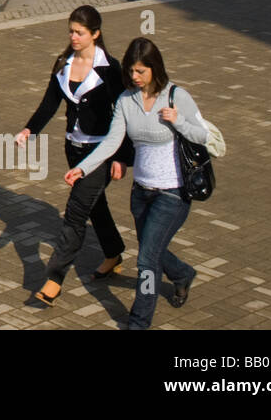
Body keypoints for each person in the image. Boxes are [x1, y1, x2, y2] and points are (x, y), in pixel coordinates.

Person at [64, 38, 212, 330]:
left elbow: (203, 135)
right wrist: (82, 168)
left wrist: (179, 121)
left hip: (173, 193)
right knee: (151, 250)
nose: (134, 76)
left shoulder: (176, 96)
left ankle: (138, 323)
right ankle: (182, 274)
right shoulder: (126, 100)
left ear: (155, 68)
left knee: (146, 261)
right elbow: (112, 142)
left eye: (141, 71)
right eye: (131, 71)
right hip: (141, 193)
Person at [16, 6, 132, 307]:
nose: (73, 37)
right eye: (71, 31)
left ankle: (54, 279)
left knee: (76, 213)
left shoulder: (110, 69)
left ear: (95, 34)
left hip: (101, 152)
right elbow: (49, 103)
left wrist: (122, 157)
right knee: (96, 205)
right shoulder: (63, 63)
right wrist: (29, 129)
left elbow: (126, 114)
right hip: (73, 148)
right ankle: (113, 253)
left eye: (80, 32)